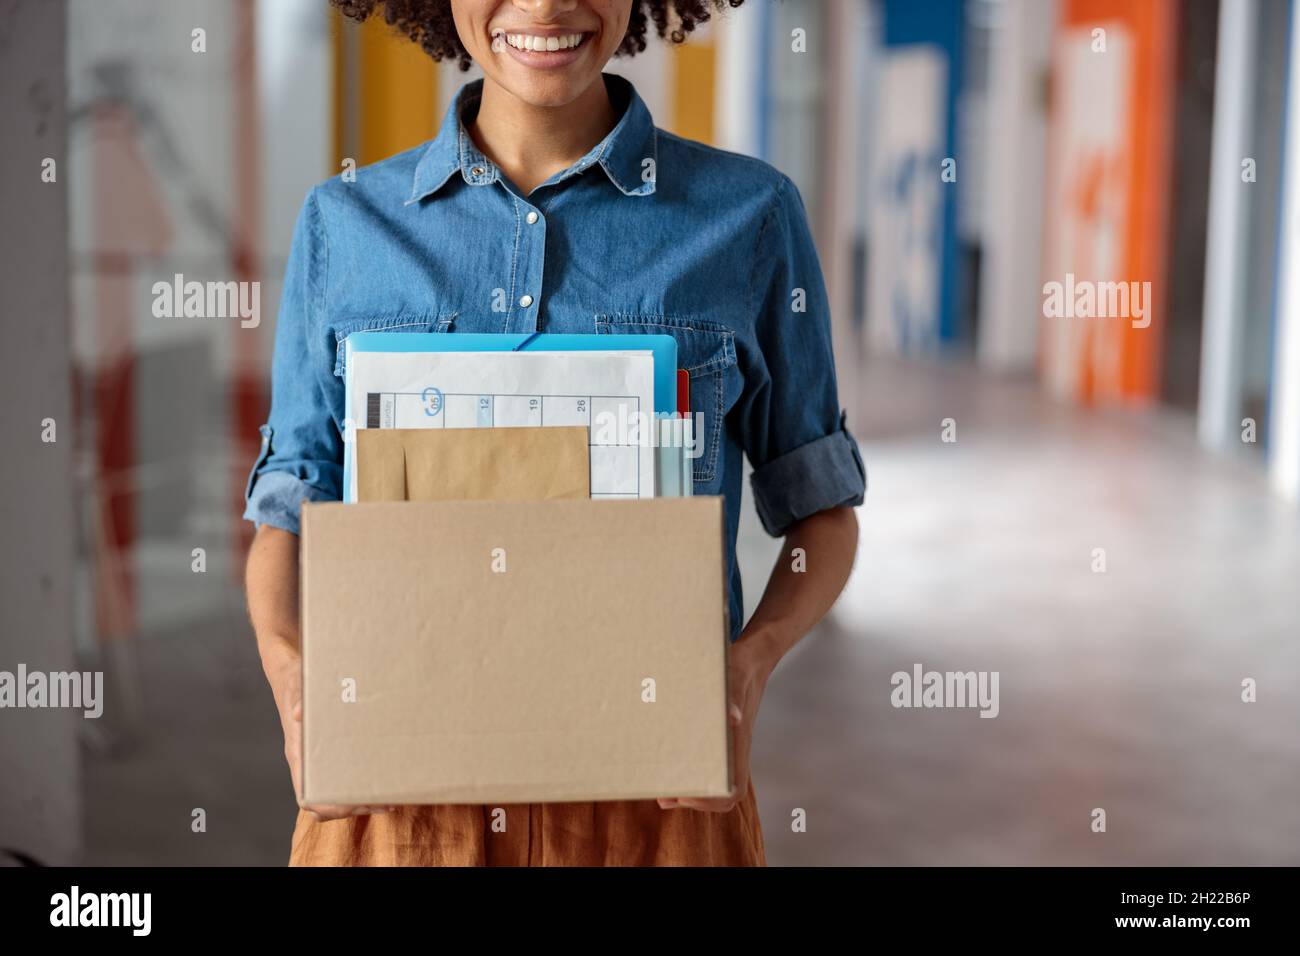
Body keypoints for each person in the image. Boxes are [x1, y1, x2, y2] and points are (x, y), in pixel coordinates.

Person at [243, 0, 865, 866]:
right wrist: (294, 682)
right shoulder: (343, 224)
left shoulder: (751, 216)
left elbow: (822, 515)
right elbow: (288, 512)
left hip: (657, 804)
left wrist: (748, 664)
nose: (542, 5)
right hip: (398, 809)